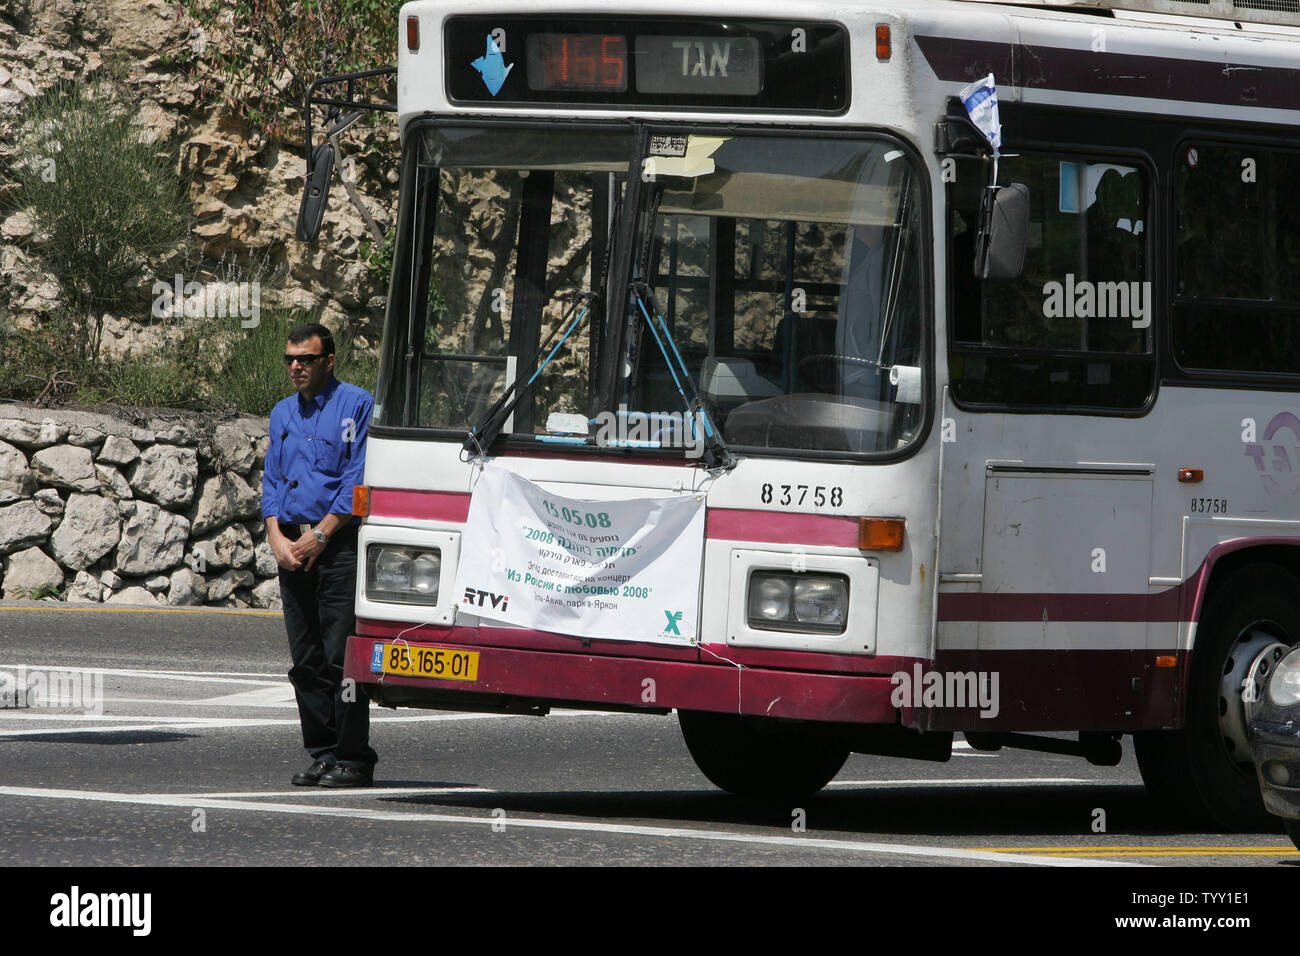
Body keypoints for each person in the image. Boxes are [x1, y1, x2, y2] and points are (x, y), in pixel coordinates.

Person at [261, 322, 377, 787]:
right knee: (305, 659)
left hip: (337, 545)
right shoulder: (282, 413)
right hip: (291, 544)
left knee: (340, 657)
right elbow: (271, 479)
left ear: (329, 361)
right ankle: (323, 752)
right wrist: (275, 536)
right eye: (290, 358)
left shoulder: (357, 404)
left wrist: (323, 536)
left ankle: (354, 756)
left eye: (305, 359)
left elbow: (359, 481)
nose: (296, 366)